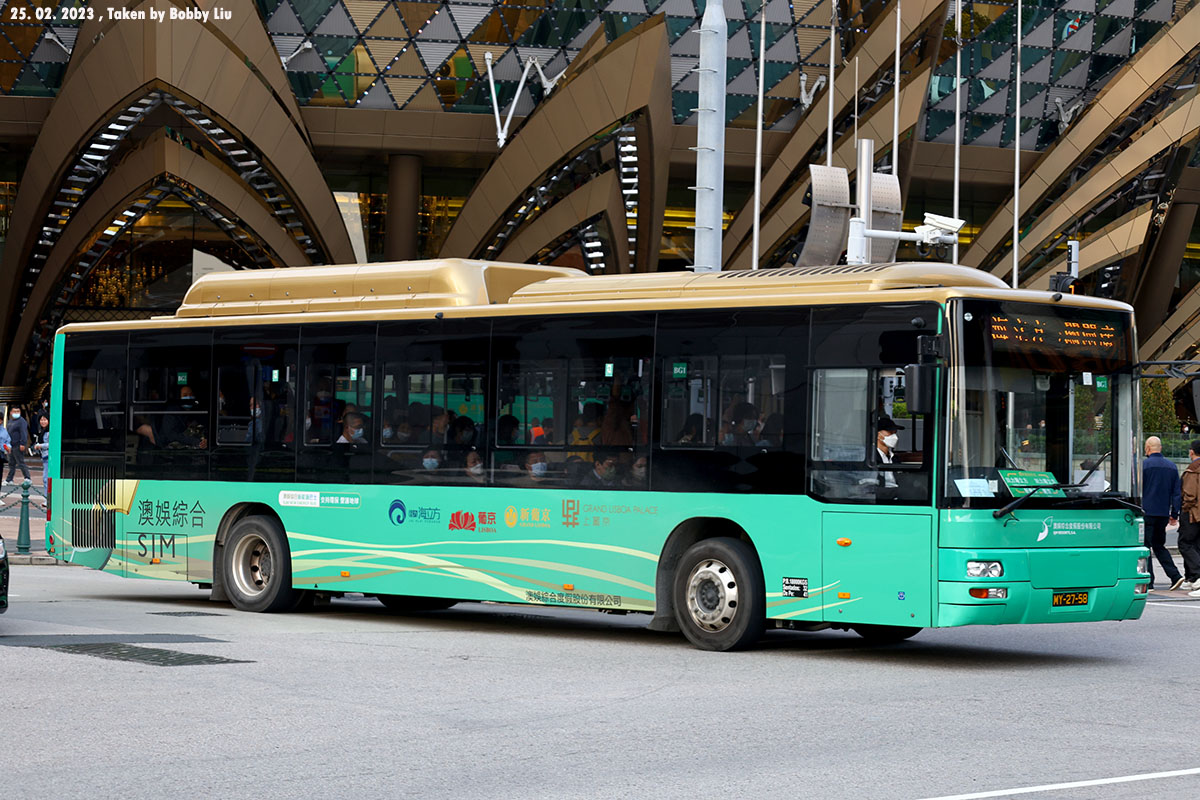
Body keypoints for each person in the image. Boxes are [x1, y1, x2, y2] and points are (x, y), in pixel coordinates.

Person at [1142, 436, 1185, 591]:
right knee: (1159, 545)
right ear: (1160, 448)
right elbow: (1176, 493)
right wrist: (1174, 513)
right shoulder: (1172, 467)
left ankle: (1149, 581)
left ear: (1147, 448)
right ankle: (1175, 576)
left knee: (1145, 546)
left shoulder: (1143, 466)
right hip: (1162, 513)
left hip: (1146, 512)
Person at [1178, 440, 1200, 593]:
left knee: (1185, 543)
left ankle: (1197, 575)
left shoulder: (1192, 469)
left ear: (1192, 452)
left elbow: (1190, 495)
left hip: (1193, 513)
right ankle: (1192, 578)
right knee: (1197, 544)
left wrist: (1185, 508)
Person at [873, 415, 904, 501]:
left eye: (895, 432)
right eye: (890, 432)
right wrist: (899, 492)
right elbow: (871, 488)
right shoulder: (871, 458)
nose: (894, 437)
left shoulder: (894, 458)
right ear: (879, 435)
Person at [5, 405, 30, 484]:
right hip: (10, 445)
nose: (16, 413)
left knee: (20, 462)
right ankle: (9, 479)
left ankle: (27, 477)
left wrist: (23, 443)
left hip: (18, 445)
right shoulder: (10, 421)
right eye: (14, 411)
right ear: (11, 412)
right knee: (11, 463)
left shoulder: (21, 421)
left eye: (18, 411)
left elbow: (23, 433)